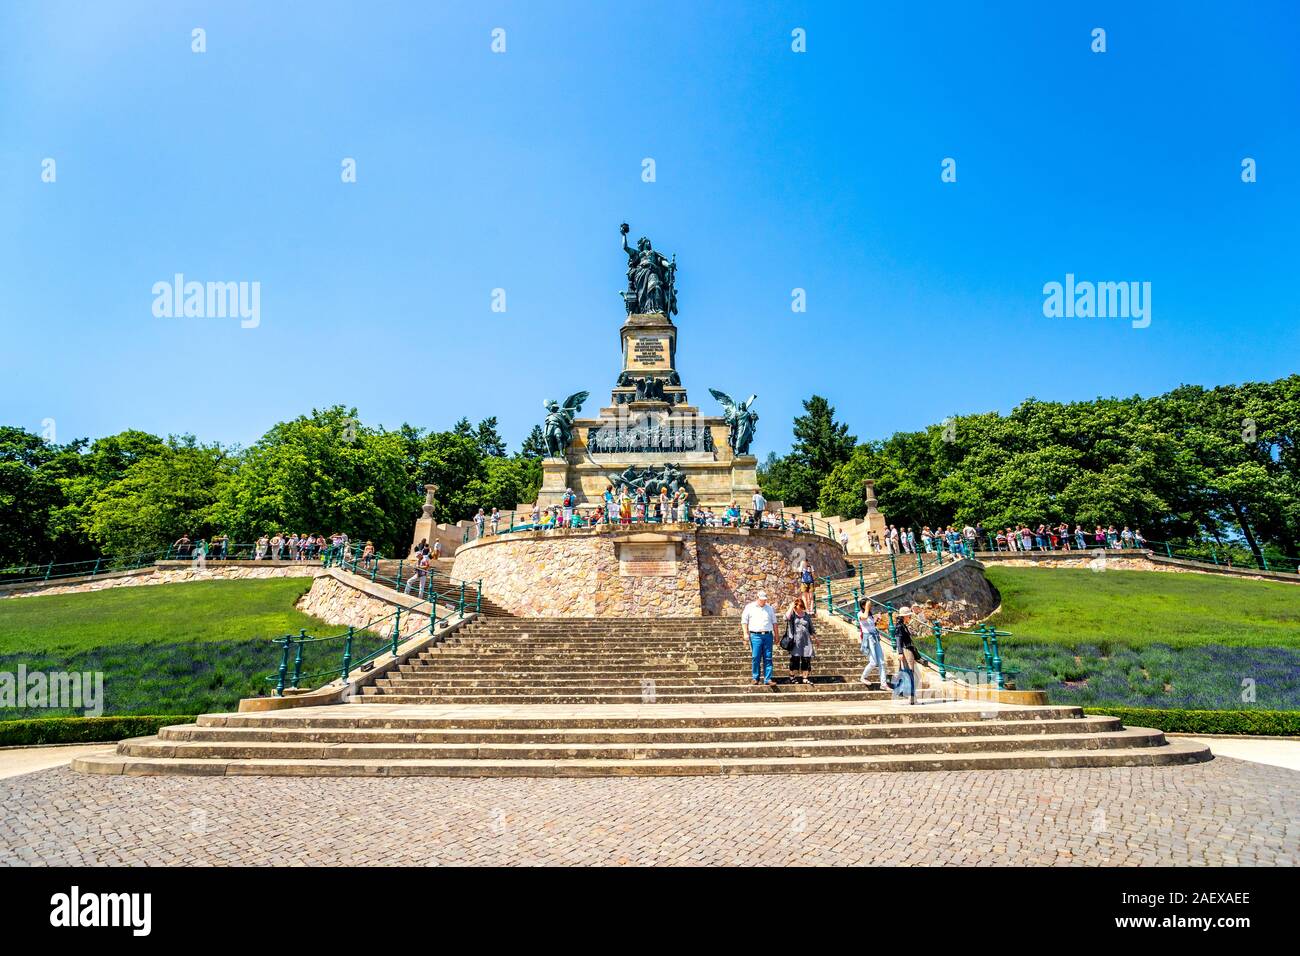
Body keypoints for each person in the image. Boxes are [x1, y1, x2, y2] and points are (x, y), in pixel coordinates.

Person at [740, 589, 777, 686]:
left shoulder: (769, 608)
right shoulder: (750, 607)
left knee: (768, 658)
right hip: (755, 635)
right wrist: (745, 633)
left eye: (764, 599)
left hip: (768, 635)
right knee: (755, 657)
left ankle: (768, 679)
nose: (763, 601)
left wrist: (777, 635)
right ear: (757, 598)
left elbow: (774, 622)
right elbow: (744, 621)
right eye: (761, 599)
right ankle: (755, 678)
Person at [891, 606, 921, 705]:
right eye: (909, 615)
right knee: (910, 673)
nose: (910, 617)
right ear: (905, 616)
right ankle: (911, 697)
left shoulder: (902, 625)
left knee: (910, 673)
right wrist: (900, 653)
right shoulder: (900, 626)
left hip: (907, 650)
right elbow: (899, 640)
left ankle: (911, 696)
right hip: (906, 651)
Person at [783, 597, 816, 684]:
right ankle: (792, 676)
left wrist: (816, 639)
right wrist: (790, 607)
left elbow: (811, 628)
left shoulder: (806, 616)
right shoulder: (792, 615)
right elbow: (785, 618)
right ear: (795, 607)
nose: (800, 610)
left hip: (806, 641)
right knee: (795, 659)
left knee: (806, 659)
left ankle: (805, 677)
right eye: (798, 608)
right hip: (795, 642)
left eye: (801, 608)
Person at [858, 600, 889, 688]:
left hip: (875, 637)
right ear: (863, 606)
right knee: (873, 662)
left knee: (881, 662)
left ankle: (883, 684)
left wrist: (877, 620)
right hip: (868, 639)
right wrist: (867, 608)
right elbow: (864, 618)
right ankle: (863, 677)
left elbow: (871, 625)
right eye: (868, 605)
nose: (870, 606)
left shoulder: (870, 614)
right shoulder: (860, 613)